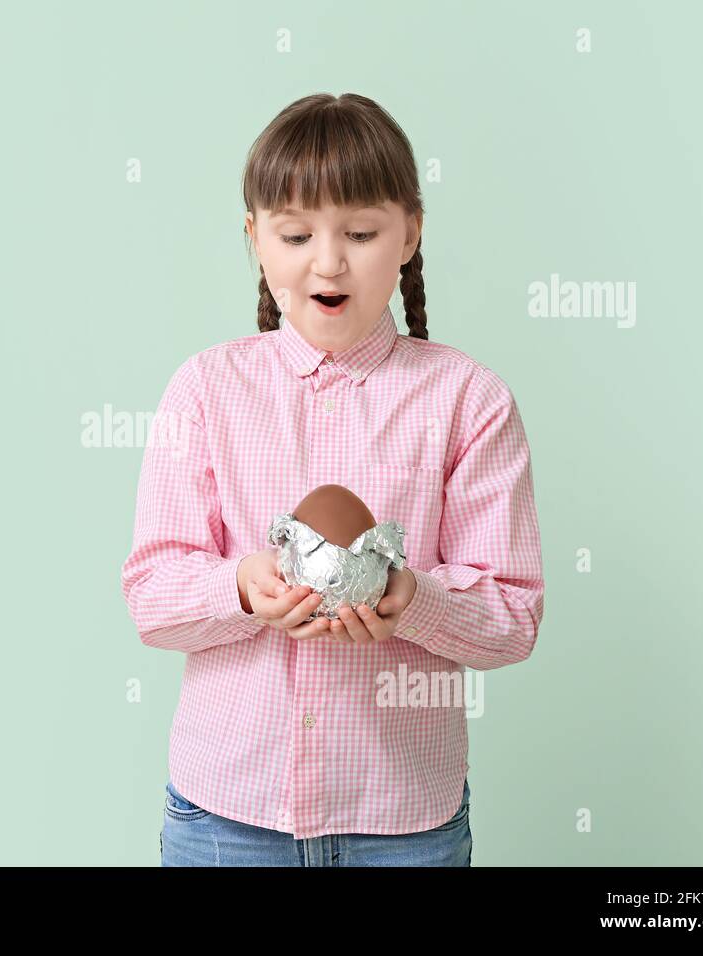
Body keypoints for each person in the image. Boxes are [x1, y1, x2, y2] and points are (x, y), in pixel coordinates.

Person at [120, 92, 545, 867]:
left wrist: (412, 599)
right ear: (255, 239)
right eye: (295, 233)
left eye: (360, 231)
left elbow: (514, 615)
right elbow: (150, 594)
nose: (328, 261)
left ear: (410, 232)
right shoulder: (205, 391)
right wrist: (245, 588)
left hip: (405, 822)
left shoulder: (468, 401)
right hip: (226, 816)